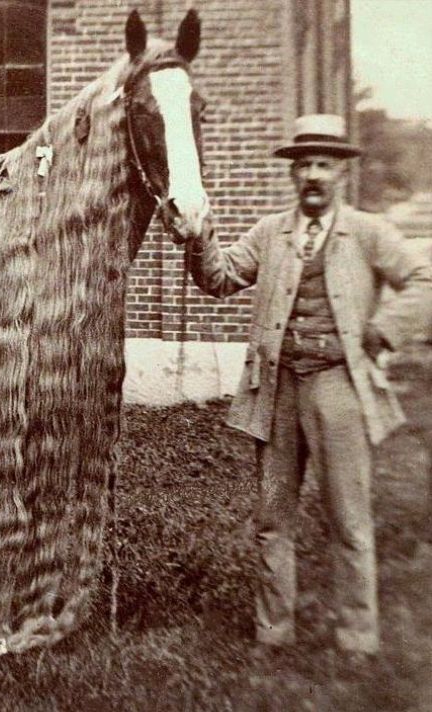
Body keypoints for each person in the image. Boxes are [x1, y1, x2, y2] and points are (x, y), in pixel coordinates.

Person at [183, 114, 432, 657]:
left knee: (349, 517)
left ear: (340, 173)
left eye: (323, 164)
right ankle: (273, 632)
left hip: (339, 388)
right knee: (273, 518)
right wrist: (199, 235)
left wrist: (385, 330)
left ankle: (357, 637)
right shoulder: (270, 233)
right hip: (276, 392)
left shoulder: (366, 232)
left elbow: (423, 280)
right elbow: (220, 278)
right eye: (304, 166)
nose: (313, 175)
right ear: (292, 177)